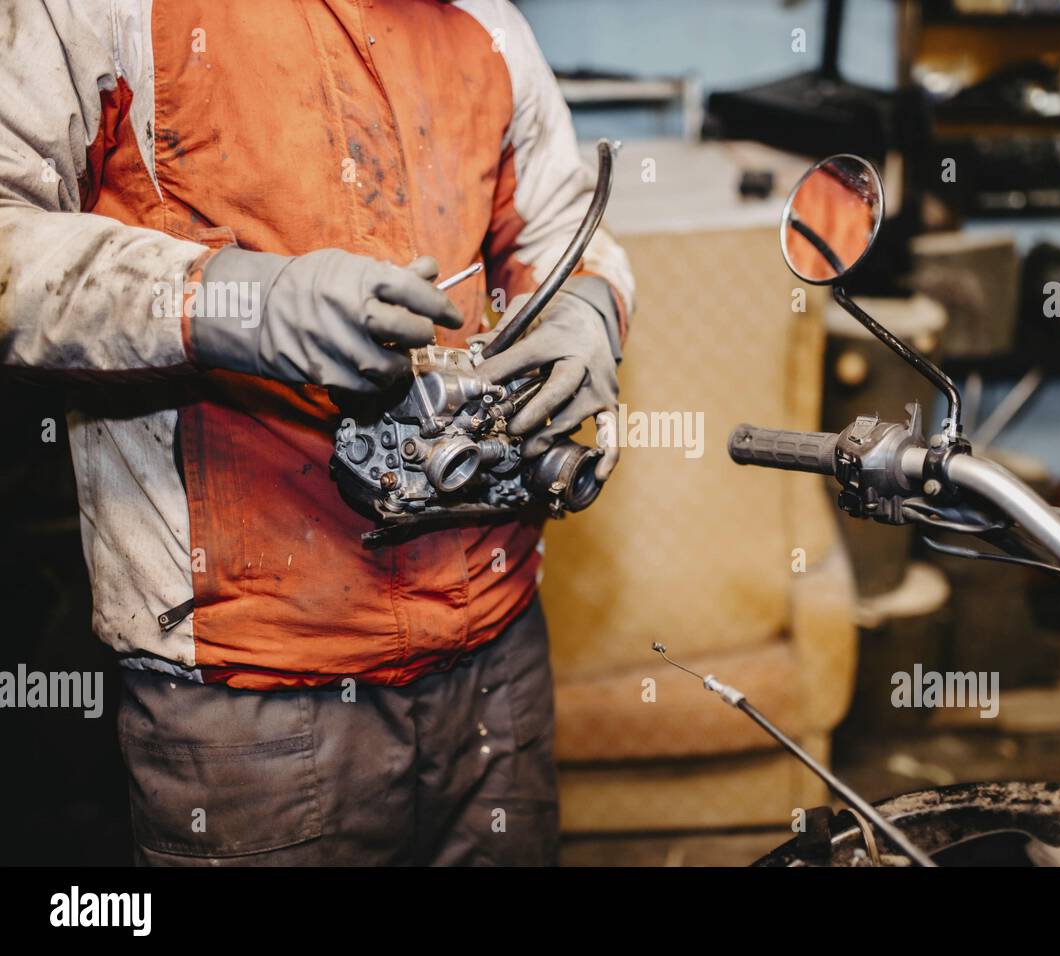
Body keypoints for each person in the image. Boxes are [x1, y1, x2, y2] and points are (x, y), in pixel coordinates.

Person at [0, 0, 633, 865]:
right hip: (245, 695)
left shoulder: (484, 23)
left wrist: (586, 308)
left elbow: (565, 229)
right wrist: (231, 301)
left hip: (497, 655)